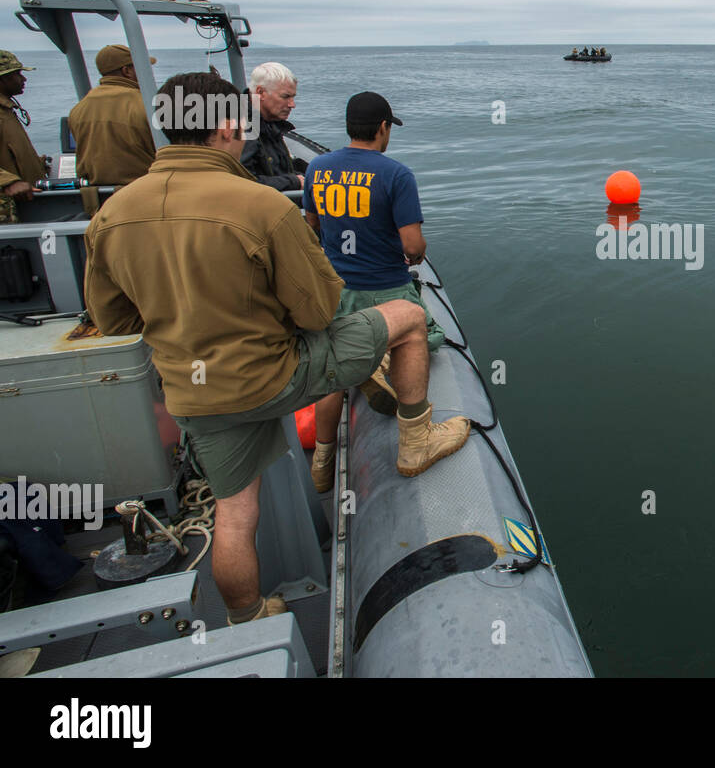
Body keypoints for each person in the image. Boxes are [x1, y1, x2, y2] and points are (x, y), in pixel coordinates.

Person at [82, 71, 471, 625]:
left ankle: (248, 615)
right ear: (224, 126)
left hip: (196, 396)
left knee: (235, 515)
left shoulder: (112, 215)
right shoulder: (261, 207)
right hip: (276, 377)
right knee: (408, 319)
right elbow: (316, 314)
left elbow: (114, 319)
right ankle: (415, 441)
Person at [302, 92, 462, 492]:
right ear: (382, 128)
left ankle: (322, 460)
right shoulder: (396, 175)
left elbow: (311, 227)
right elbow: (412, 246)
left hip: (338, 291)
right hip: (388, 289)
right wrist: (416, 255)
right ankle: (415, 442)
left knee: (332, 375)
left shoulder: (318, 168)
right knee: (429, 336)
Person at [67, 44, 158, 185]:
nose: (148, 72)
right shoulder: (148, 104)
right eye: (142, 67)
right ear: (126, 71)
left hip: (96, 197)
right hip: (143, 191)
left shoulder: (78, 109)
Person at [241, 62, 304, 192]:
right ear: (261, 92)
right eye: (285, 97)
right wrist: (294, 182)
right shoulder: (243, 129)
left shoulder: (270, 124)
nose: (292, 105)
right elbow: (243, 182)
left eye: (293, 97)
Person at [0, 51, 47, 224]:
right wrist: (9, 182)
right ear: (3, 79)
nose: (23, 79)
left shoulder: (6, 109)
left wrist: (38, 165)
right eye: (18, 74)